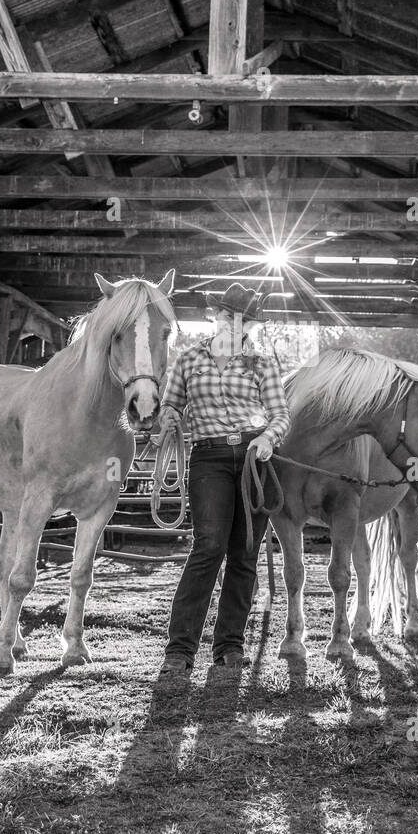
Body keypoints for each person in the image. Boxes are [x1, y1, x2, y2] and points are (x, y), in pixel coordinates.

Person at [155, 283, 291, 675]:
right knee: (209, 546)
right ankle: (179, 649)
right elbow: (172, 404)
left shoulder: (261, 364)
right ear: (215, 316)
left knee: (244, 553)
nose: (234, 324)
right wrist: (169, 418)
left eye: (243, 319)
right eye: (228, 316)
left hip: (253, 457)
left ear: (250, 324)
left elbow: (280, 413)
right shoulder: (188, 359)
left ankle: (230, 645)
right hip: (209, 457)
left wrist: (268, 436)